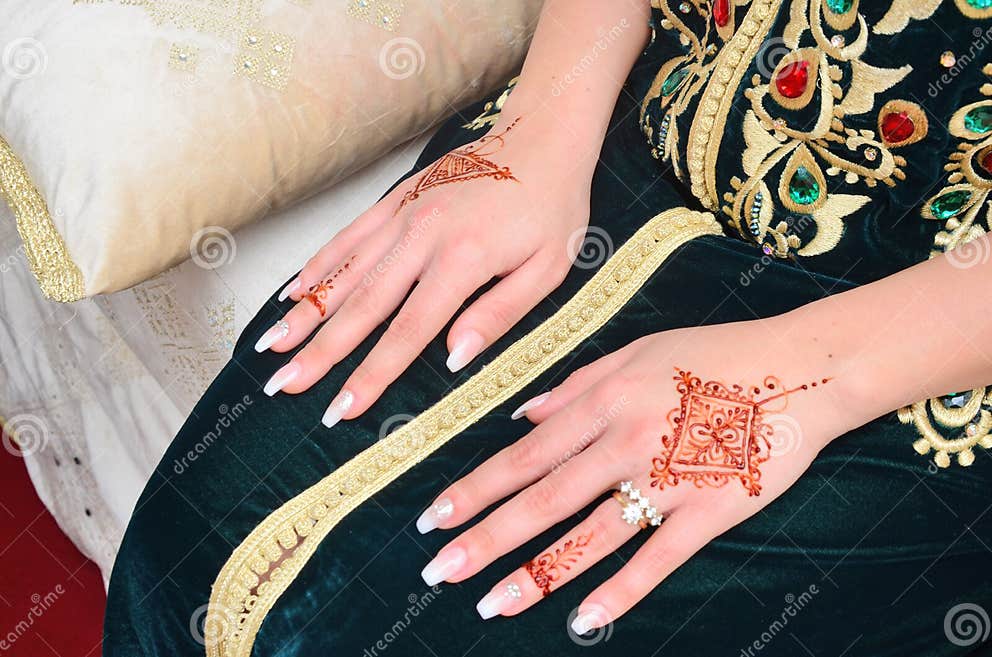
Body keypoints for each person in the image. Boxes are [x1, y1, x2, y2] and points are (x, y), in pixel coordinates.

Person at [104, 1, 992, 656]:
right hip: (626, 118)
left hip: (920, 321)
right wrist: (541, 122)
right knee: (193, 543)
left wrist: (808, 376)